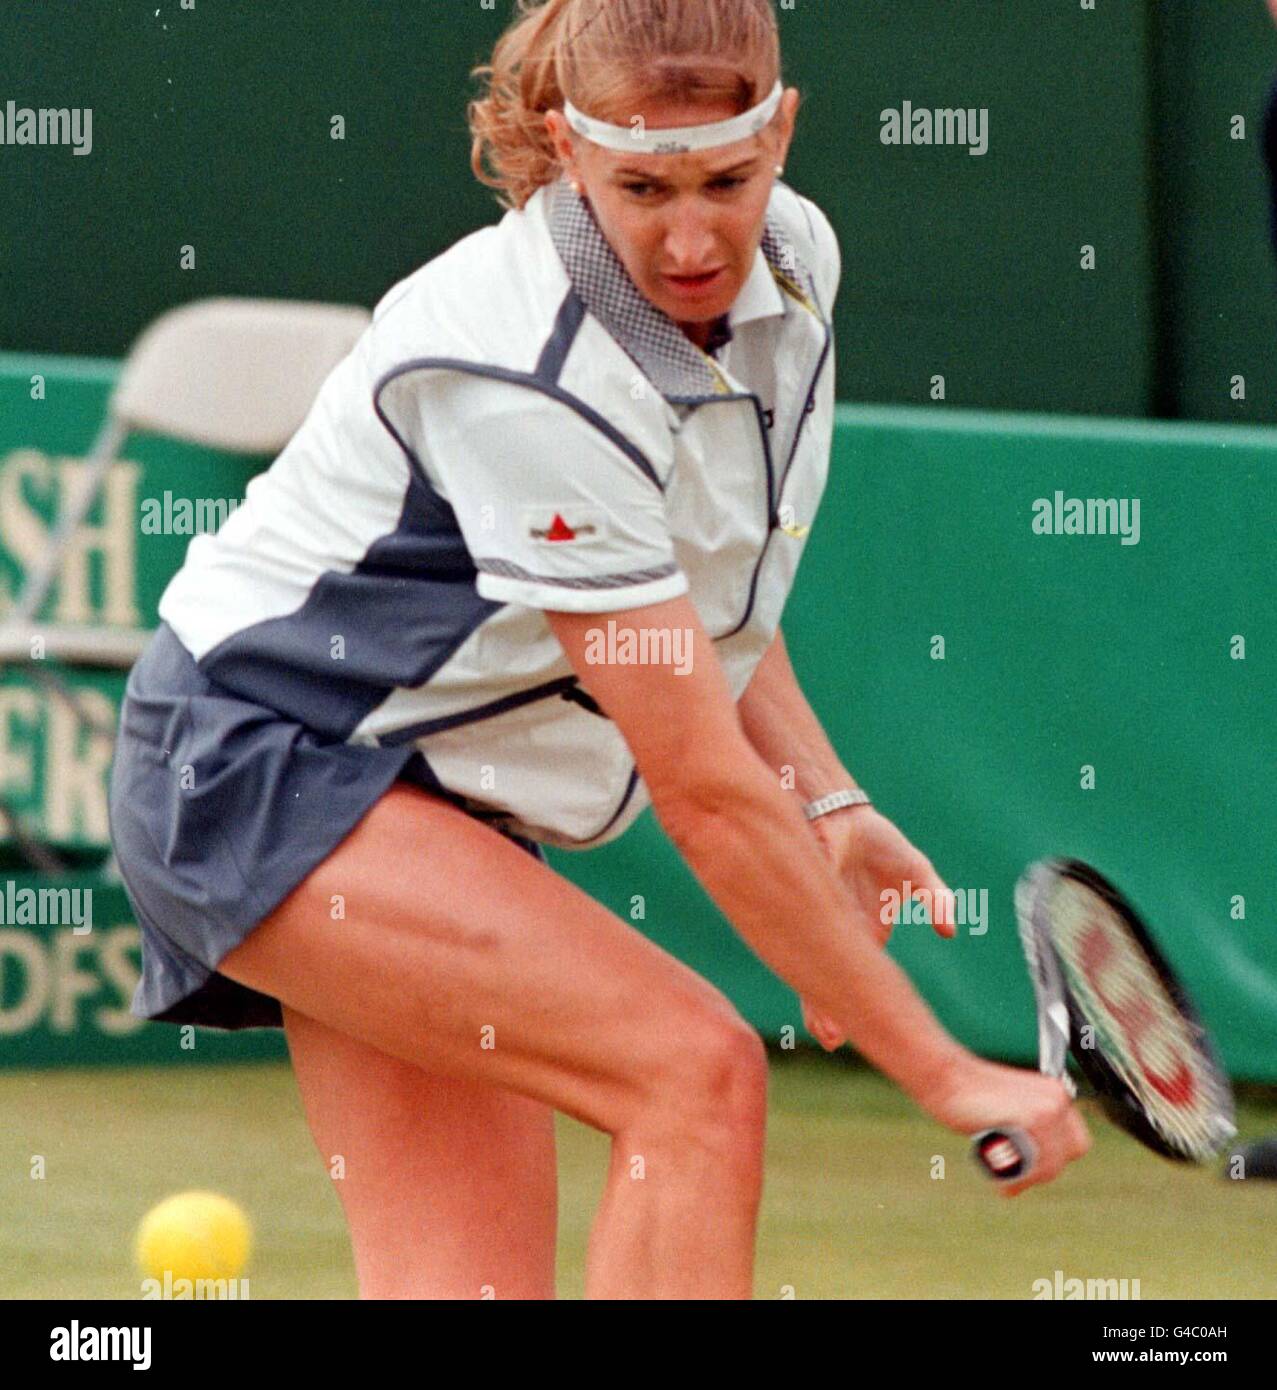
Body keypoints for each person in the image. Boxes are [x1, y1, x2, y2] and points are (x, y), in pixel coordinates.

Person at [107, 0, 1088, 1300]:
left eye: (724, 181)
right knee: (693, 1068)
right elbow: (695, 785)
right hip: (258, 764)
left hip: (420, 798)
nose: (692, 237)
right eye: (639, 188)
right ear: (567, 151)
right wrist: (941, 1066)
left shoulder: (794, 267)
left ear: (780, 133)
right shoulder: (525, 371)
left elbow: (704, 598)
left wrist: (830, 798)